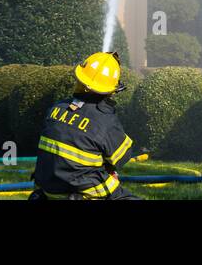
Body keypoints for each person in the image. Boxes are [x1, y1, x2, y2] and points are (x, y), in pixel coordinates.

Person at [29, 51, 140, 200]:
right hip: (83, 193)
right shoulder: (105, 120)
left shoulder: (57, 108)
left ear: (79, 79)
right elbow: (121, 157)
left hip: (47, 191)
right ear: (111, 91)